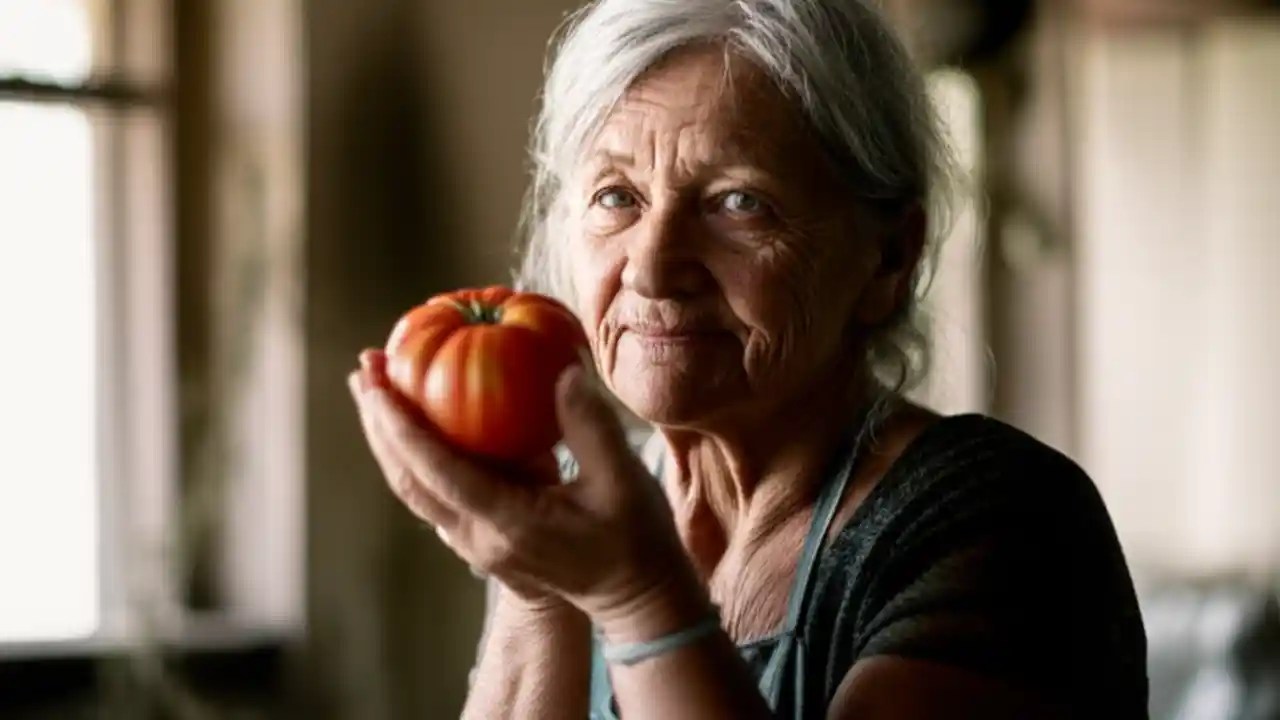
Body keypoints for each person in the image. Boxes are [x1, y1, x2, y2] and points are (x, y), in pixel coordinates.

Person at [348, 0, 1149, 717]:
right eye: (616, 198)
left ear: (888, 261)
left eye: (738, 202)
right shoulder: (588, 519)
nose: (654, 267)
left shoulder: (1000, 519)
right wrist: (536, 586)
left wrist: (638, 601)